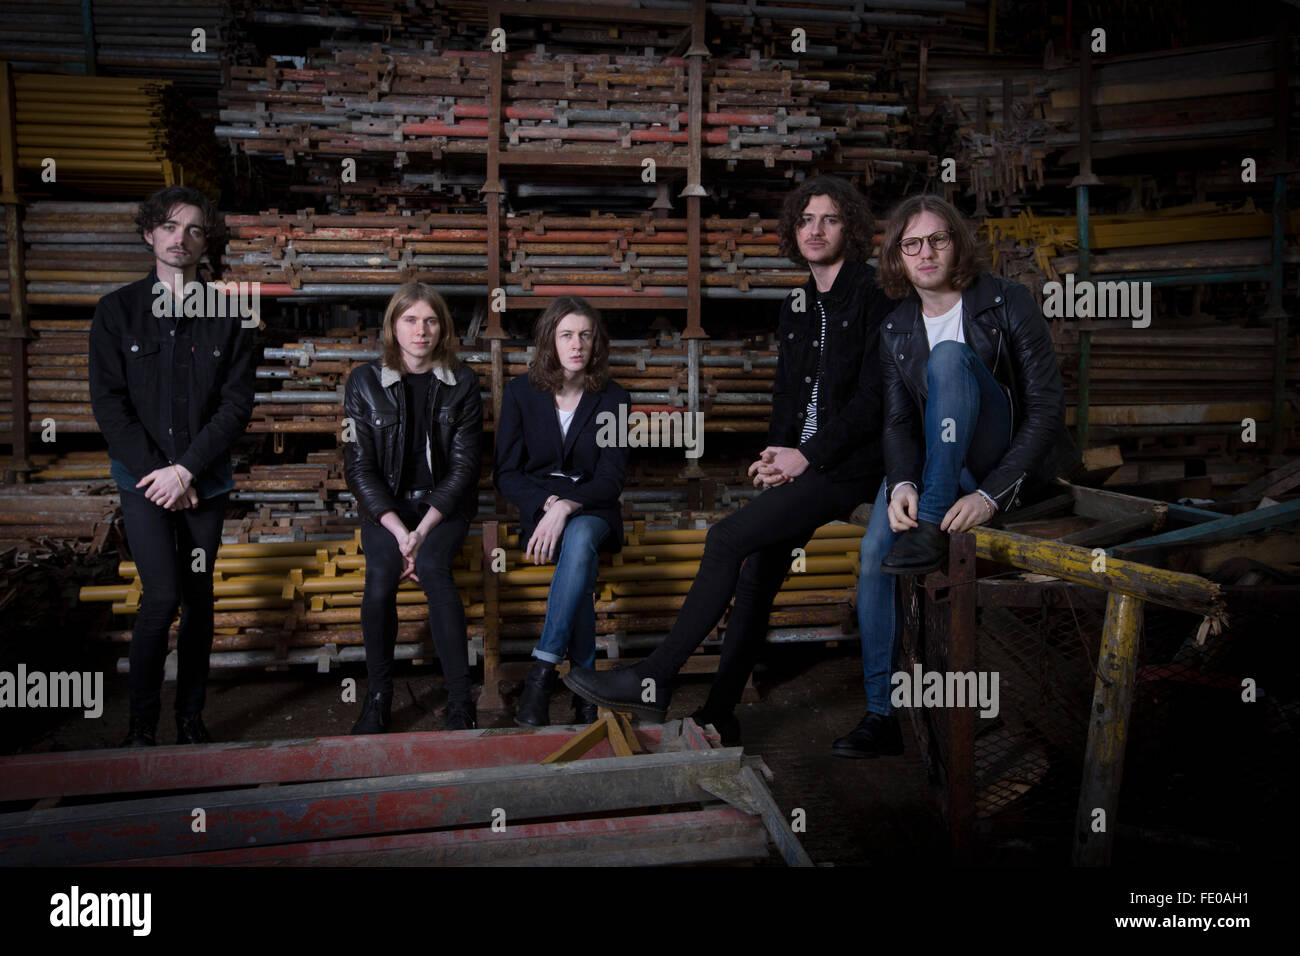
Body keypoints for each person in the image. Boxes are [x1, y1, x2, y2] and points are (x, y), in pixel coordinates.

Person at [565, 175, 892, 743]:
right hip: (805, 463)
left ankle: (655, 680)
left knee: (724, 540)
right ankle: (720, 713)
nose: (815, 231)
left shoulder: (873, 292)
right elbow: (788, 392)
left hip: (855, 466)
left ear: (853, 229)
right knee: (759, 572)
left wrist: (807, 455)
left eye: (830, 220)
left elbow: (875, 400)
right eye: (806, 220)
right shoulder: (799, 301)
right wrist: (775, 454)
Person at [835, 192, 1079, 758]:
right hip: (936, 464)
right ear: (898, 255)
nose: (925, 252)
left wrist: (993, 496)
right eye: (911, 243)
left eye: (937, 240)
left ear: (957, 245)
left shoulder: (1006, 301)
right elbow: (897, 423)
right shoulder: (896, 328)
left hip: (999, 457)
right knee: (874, 553)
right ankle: (881, 714)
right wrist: (900, 485)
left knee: (948, 360)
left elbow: (1045, 410)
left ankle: (930, 525)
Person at [89, 185, 256, 747]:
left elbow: (236, 405)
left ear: (206, 241)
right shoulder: (117, 312)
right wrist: (160, 475)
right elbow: (110, 405)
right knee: (161, 597)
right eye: (168, 227)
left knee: (199, 597)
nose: (179, 238)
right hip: (142, 483)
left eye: (192, 229)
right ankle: (141, 728)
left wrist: (186, 470)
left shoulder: (229, 313)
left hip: (204, 483)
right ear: (148, 234)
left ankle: (189, 720)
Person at [342, 282, 483, 733]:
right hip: (385, 512)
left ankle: (461, 702)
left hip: (442, 511)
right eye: (409, 320)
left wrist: (421, 532)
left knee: (437, 573)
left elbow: (464, 470)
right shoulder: (363, 382)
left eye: (430, 320)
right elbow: (359, 468)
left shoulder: (462, 383)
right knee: (380, 579)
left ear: (442, 328)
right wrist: (400, 532)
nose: (420, 330)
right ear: (393, 325)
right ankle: (379, 698)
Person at [495, 296, 630, 726]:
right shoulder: (520, 393)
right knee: (580, 558)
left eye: (585, 336)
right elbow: (506, 473)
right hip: (542, 514)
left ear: (596, 343)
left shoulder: (614, 398)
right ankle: (584, 686)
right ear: (550, 341)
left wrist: (570, 503)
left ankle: (542, 671)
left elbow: (612, 479)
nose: (577, 345)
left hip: (593, 509)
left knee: (582, 534)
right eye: (567, 335)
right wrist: (548, 504)